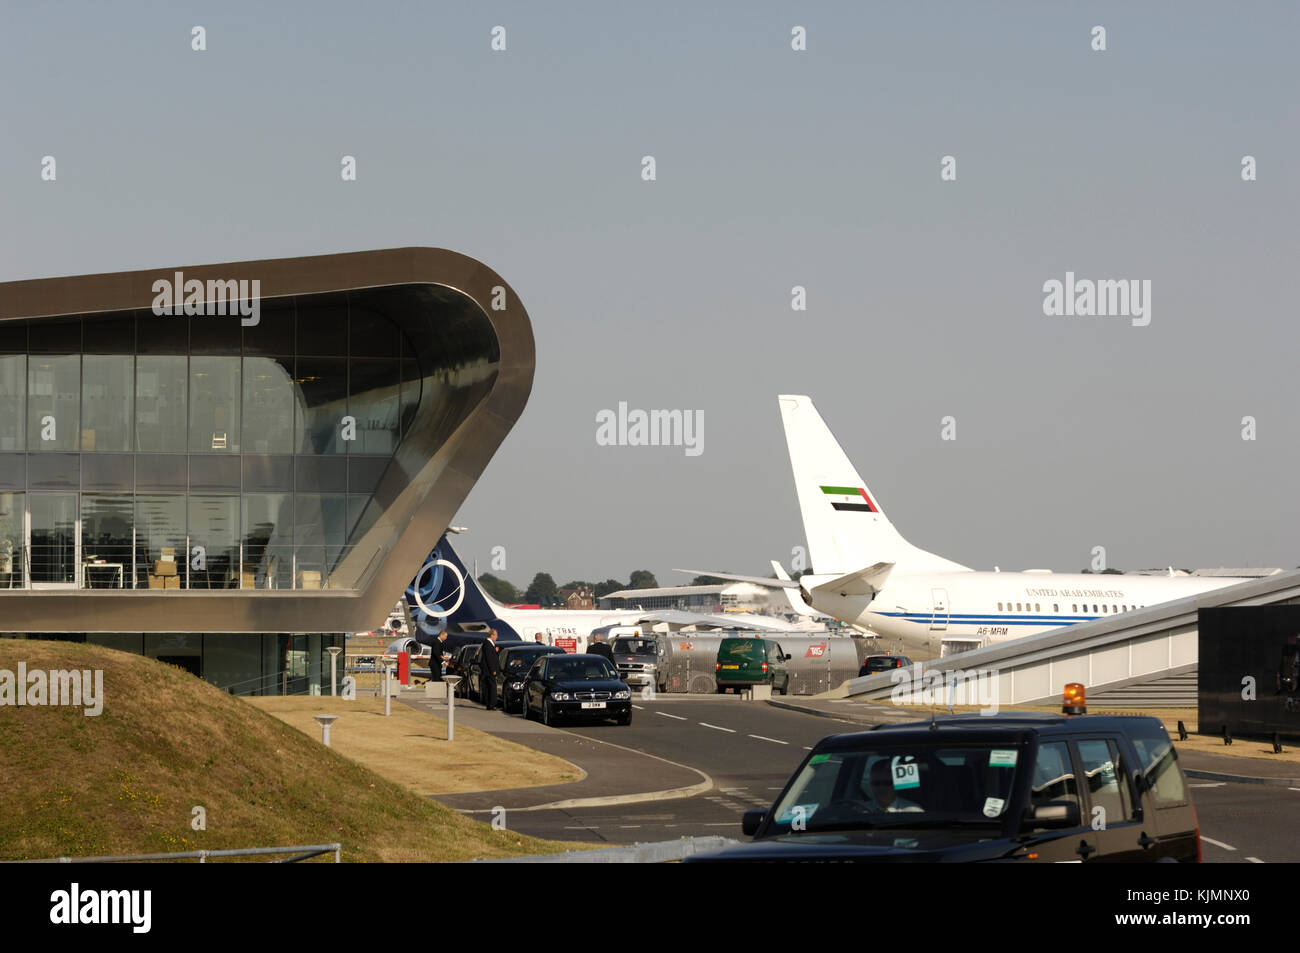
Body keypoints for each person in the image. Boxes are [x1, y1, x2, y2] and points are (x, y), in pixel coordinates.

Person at [479, 629, 501, 709]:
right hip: (490, 671)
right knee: (492, 687)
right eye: (496, 635)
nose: (497, 637)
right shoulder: (488, 644)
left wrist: (495, 651)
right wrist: (493, 670)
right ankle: (492, 704)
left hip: (489, 670)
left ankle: (490, 704)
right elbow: (489, 658)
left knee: (489, 687)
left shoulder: (489, 644)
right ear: (492, 635)